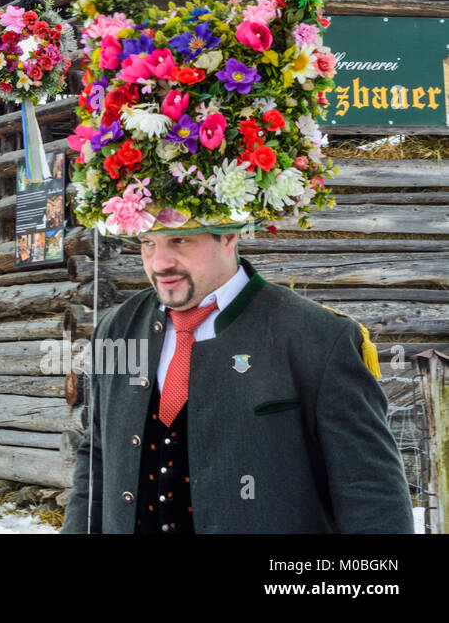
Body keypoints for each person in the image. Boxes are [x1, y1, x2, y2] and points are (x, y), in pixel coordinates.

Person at [63, 224, 415, 534]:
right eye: (147, 243)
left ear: (230, 235)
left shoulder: (318, 336)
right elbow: (97, 453)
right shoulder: (117, 328)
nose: (160, 263)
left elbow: (368, 488)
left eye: (180, 241)